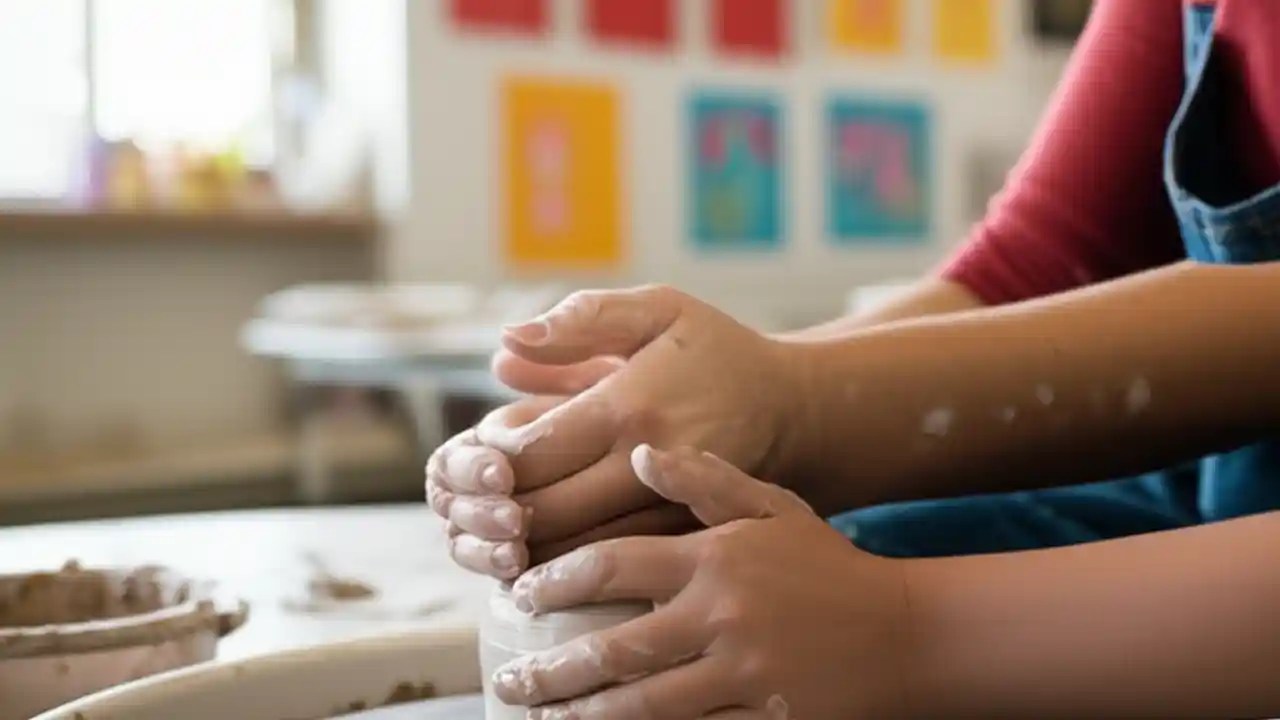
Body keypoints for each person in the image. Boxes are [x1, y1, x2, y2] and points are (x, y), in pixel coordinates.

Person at [427, 1, 1280, 717]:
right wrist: (736, 401)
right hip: (1212, 488)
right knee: (747, 575)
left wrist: (907, 631)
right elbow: (1041, 259)